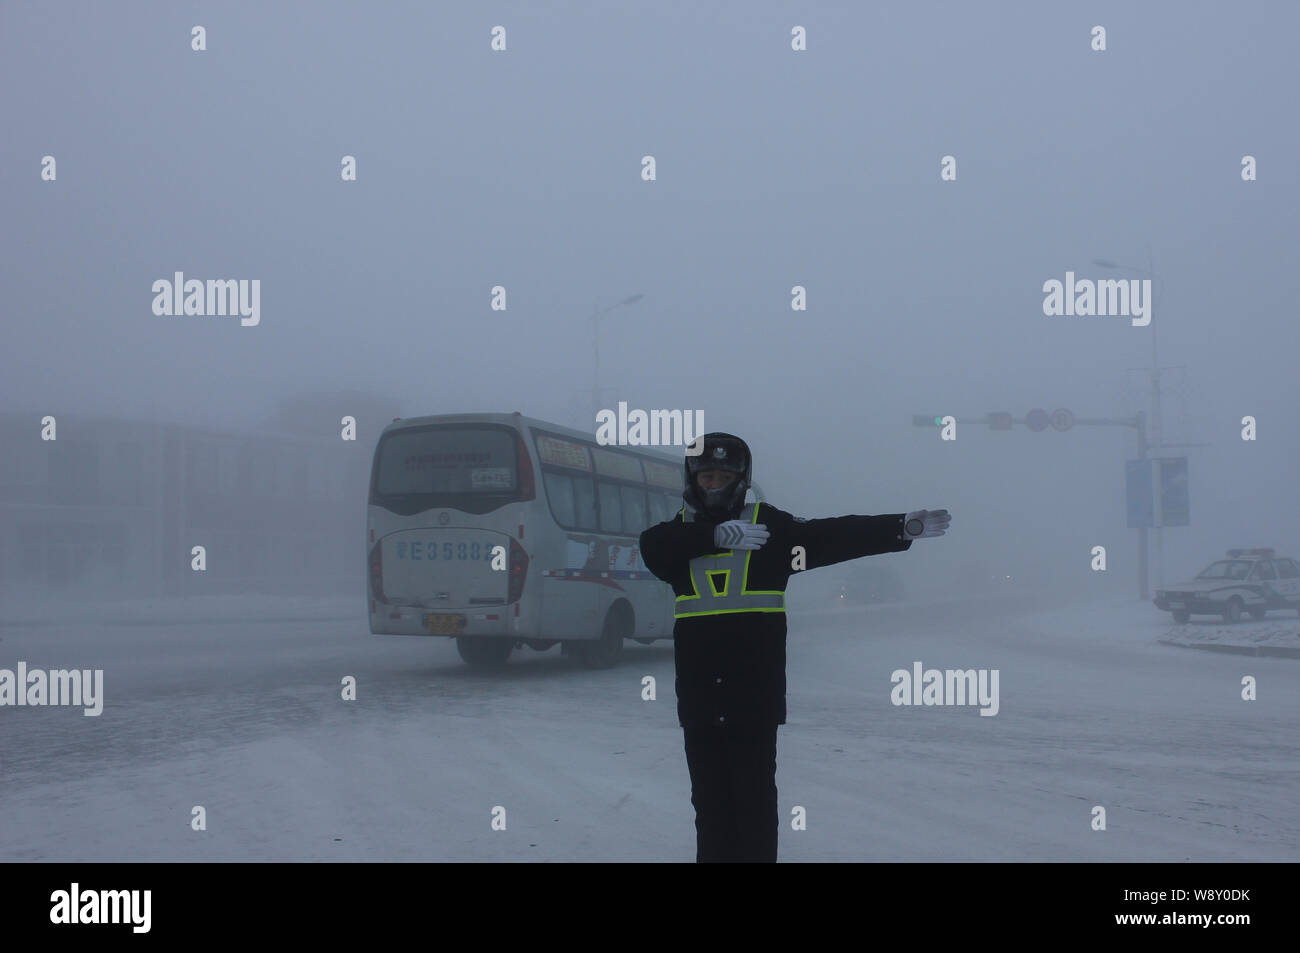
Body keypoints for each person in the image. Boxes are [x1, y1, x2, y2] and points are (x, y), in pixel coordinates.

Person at [638, 431, 951, 862]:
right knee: (709, 808)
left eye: (723, 475)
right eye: (706, 475)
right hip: (699, 700)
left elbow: (833, 536)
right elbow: (652, 549)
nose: (714, 484)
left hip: (754, 698)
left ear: (741, 478)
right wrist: (712, 538)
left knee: (753, 808)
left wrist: (897, 527)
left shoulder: (771, 530)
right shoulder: (675, 534)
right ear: (692, 479)